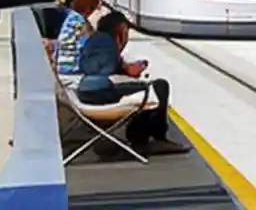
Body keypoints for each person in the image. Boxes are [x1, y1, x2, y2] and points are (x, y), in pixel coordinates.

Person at [76, 11, 190, 156]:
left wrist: (123, 67)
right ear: (121, 30)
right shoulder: (105, 43)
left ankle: (141, 137)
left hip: (90, 90)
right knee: (158, 87)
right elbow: (96, 69)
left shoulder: (97, 39)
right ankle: (149, 140)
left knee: (143, 87)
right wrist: (125, 69)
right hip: (97, 91)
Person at [54, 0, 102, 75]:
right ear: (90, 8)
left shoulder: (69, 19)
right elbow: (89, 47)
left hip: (61, 69)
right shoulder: (82, 24)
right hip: (74, 71)